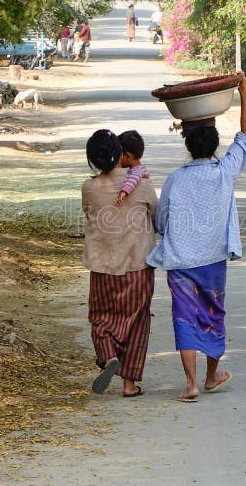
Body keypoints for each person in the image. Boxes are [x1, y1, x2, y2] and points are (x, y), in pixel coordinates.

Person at [146, 75, 246, 402]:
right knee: (212, 315)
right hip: (212, 261)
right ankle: (211, 376)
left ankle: (191, 383)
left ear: (188, 146)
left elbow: (161, 221)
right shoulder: (225, 171)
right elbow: (245, 136)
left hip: (180, 261)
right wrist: (243, 94)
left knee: (185, 318)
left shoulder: (176, 179)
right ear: (215, 144)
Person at [82, 129, 158, 398]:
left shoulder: (89, 187)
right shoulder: (142, 184)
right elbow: (156, 215)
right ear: (120, 154)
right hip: (138, 266)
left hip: (102, 266)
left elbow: (89, 214)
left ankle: (108, 355)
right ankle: (129, 384)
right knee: (136, 322)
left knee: (101, 317)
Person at [115, 130, 149, 206]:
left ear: (128, 156)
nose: (117, 157)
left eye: (119, 154)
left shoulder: (138, 170)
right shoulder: (139, 168)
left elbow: (134, 178)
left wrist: (124, 191)